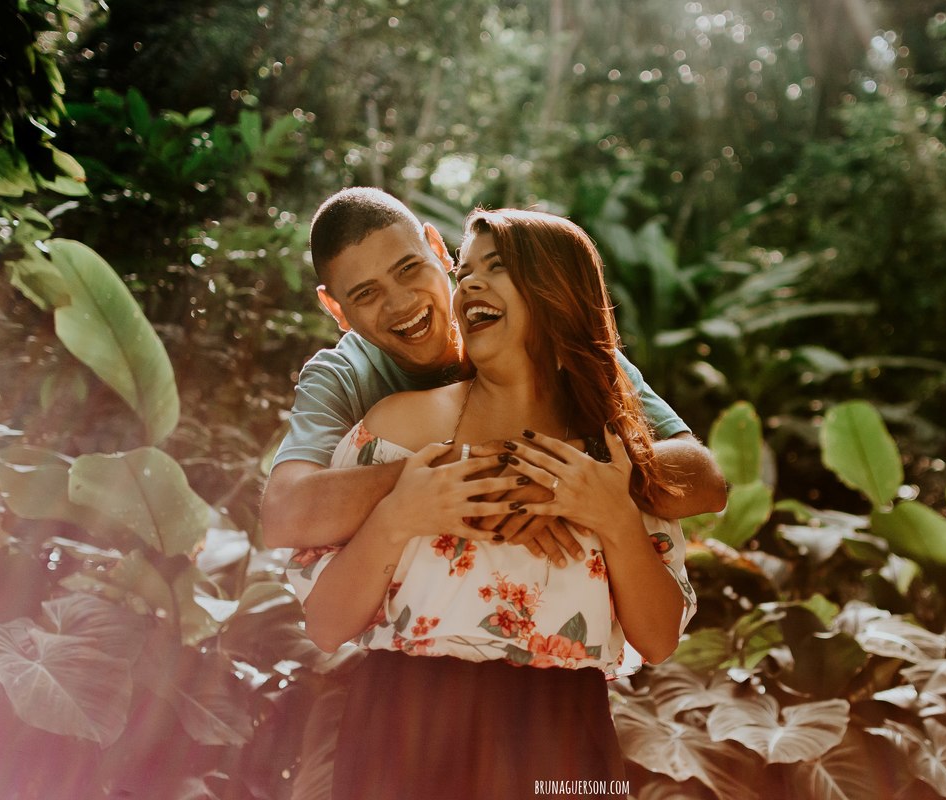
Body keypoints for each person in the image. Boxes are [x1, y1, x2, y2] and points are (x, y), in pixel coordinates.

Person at [287, 208, 699, 800]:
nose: (470, 283)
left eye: (497, 266)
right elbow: (325, 626)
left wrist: (615, 519)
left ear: (556, 292)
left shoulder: (610, 455)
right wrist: (398, 516)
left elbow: (658, 640)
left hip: (566, 743)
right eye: (467, 271)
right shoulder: (397, 428)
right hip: (404, 738)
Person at [260, 187, 727, 563]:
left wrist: (559, 478)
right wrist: (471, 474)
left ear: (438, 249)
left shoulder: (547, 341)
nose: (400, 302)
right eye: (366, 294)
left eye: (409, 268)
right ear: (336, 309)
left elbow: (704, 481)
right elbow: (283, 516)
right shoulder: (342, 375)